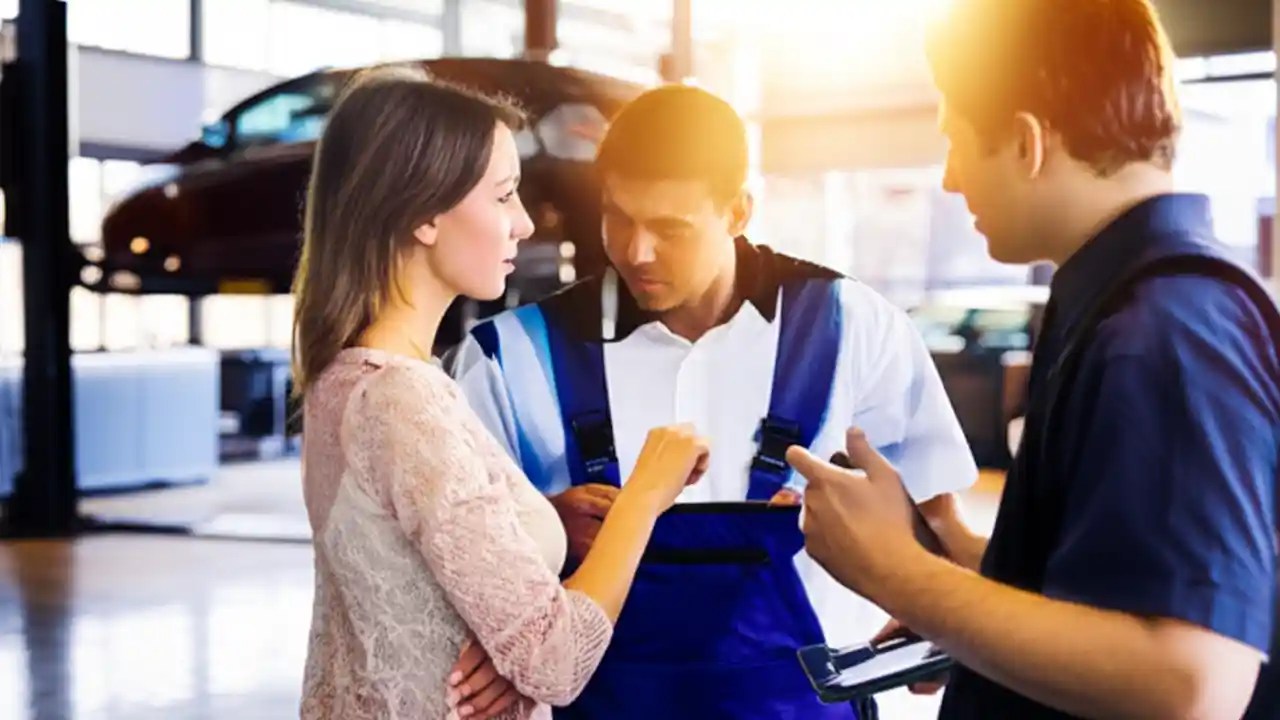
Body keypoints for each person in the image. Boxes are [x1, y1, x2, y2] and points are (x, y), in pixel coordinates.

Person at [786, 1, 1280, 718]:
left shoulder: (1164, 328)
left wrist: (899, 574)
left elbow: (1189, 684)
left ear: (1026, 143)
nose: (951, 179)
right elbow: (1112, 592)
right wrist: (960, 564)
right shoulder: (1128, 305)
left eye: (956, 142)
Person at [445, 84, 978, 719]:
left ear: (737, 212)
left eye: (670, 228)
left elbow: (937, 515)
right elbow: (456, 565)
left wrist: (940, 619)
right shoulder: (509, 356)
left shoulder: (855, 327)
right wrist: (545, 528)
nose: (636, 251)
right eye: (618, 216)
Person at [291, 66, 711, 720]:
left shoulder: (350, 378)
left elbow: (406, 558)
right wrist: (645, 498)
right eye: (504, 196)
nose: (523, 223)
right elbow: (555, 660)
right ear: (425, 214)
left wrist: (532, 522)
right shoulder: (403, 398)